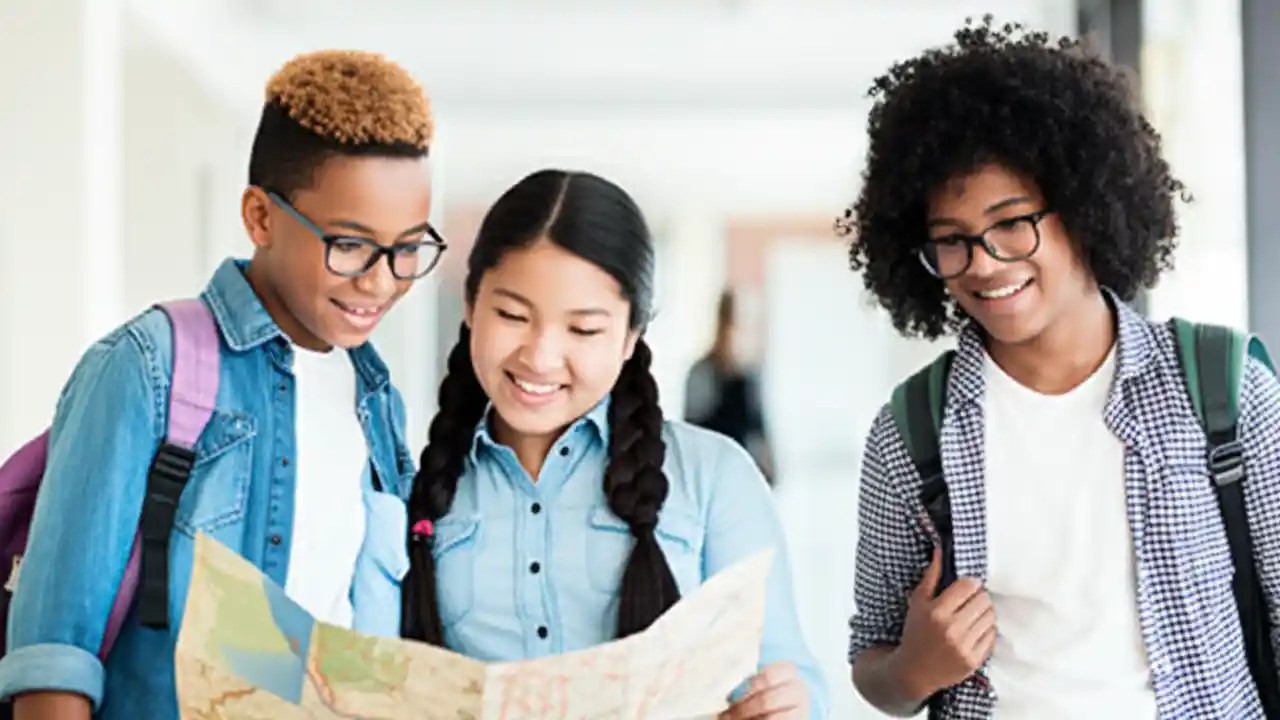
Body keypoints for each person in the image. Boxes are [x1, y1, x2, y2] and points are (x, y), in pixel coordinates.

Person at [841, 17, 1280, 719]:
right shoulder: (909, 434)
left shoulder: (1223, 391)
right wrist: (916, 668)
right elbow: (874, 665)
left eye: (1012, 222)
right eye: (952, 242)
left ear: (1083, 209)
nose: (983, 263)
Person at [0, 50, 442, 719]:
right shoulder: (148, 366)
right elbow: (53, 662)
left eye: (407, 249)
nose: (381, 281)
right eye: (349, 245)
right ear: (261, 218)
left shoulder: (376, 402)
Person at [401, 169, 828, 719]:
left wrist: (789, 705)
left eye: (583, 331)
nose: (540, 357)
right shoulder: (410, 484)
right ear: (470, 304)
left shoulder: (715, 477)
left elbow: (794, 679)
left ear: (631, 337)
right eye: (511, 315)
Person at [684, 289, 776, 484]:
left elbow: (759, 430)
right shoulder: (702, 372)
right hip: (710, 477)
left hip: (743, 477)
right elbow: (691, 432)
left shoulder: (749, 376)